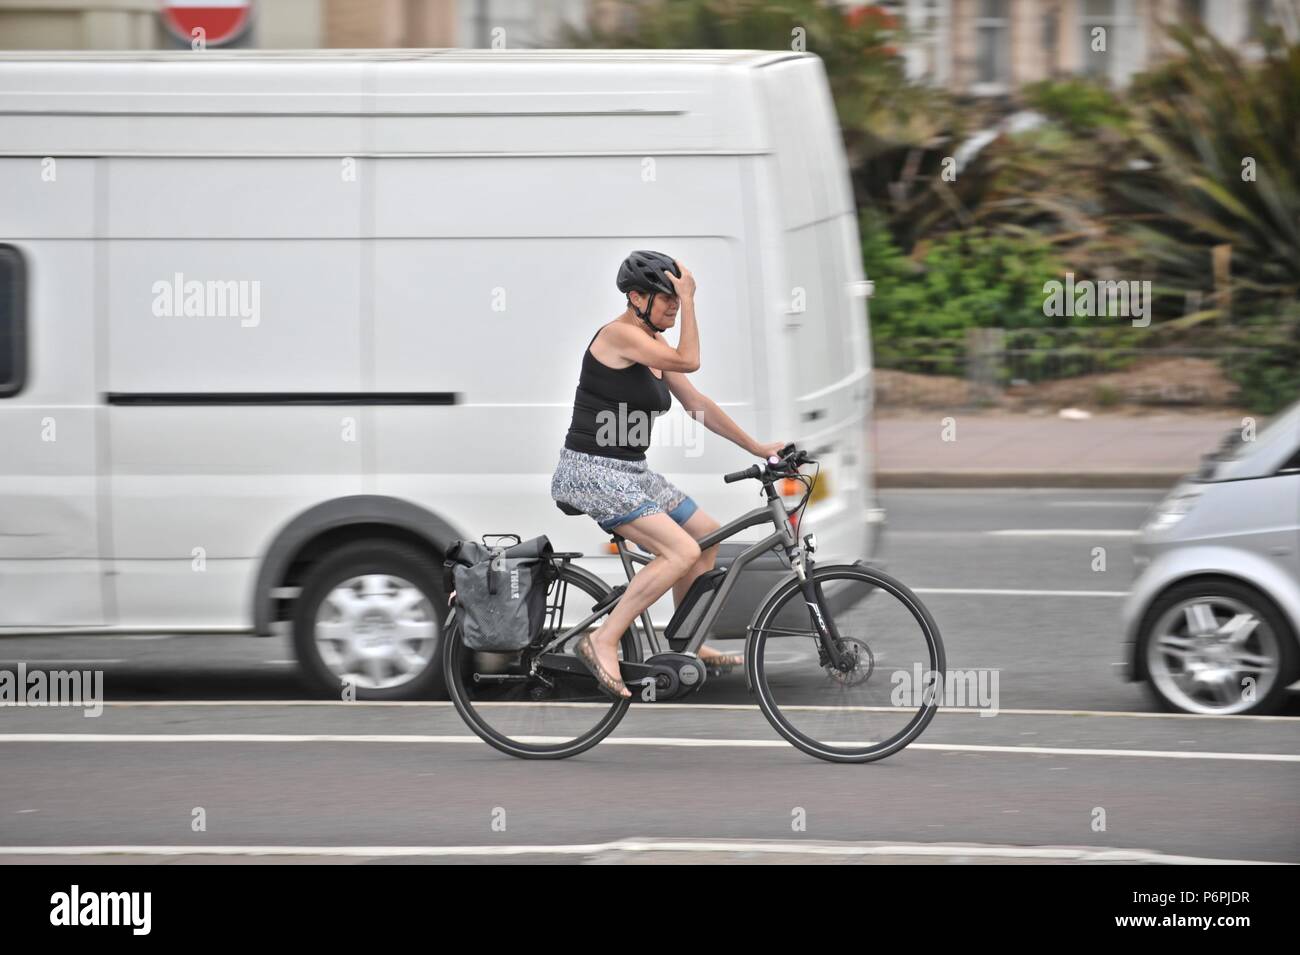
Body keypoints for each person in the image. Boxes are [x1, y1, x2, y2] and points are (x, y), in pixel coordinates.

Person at [550, 250, 788, 699]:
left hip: (632, 471)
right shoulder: (621, 336)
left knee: (706, 534)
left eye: (677, 303)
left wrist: (757, 447)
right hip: (591, 471)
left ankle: (686, 643)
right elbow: (691, 360)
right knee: (678, 551)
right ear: (636, 297)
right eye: (667, 301)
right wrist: (692, 298)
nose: (674, 310)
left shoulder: (654, 350)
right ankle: (601, 640)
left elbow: (698, 405)